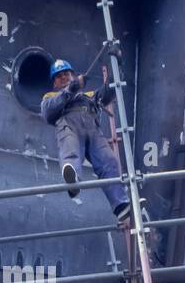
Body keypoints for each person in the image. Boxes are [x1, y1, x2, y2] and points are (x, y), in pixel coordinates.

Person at [41, 59, 131, 224]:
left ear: (73, 75)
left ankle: (120, 205)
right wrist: (72, 88)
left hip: (92, 127)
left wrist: (116, 67)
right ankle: (73, 179)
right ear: (54, 83)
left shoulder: (88, 95)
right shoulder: (51, 96)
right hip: (69, 124)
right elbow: (48, 112)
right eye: (59, 76)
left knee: (108, 161)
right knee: (70, 149)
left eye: (67, 74)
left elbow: (107, 93)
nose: (64, 78)